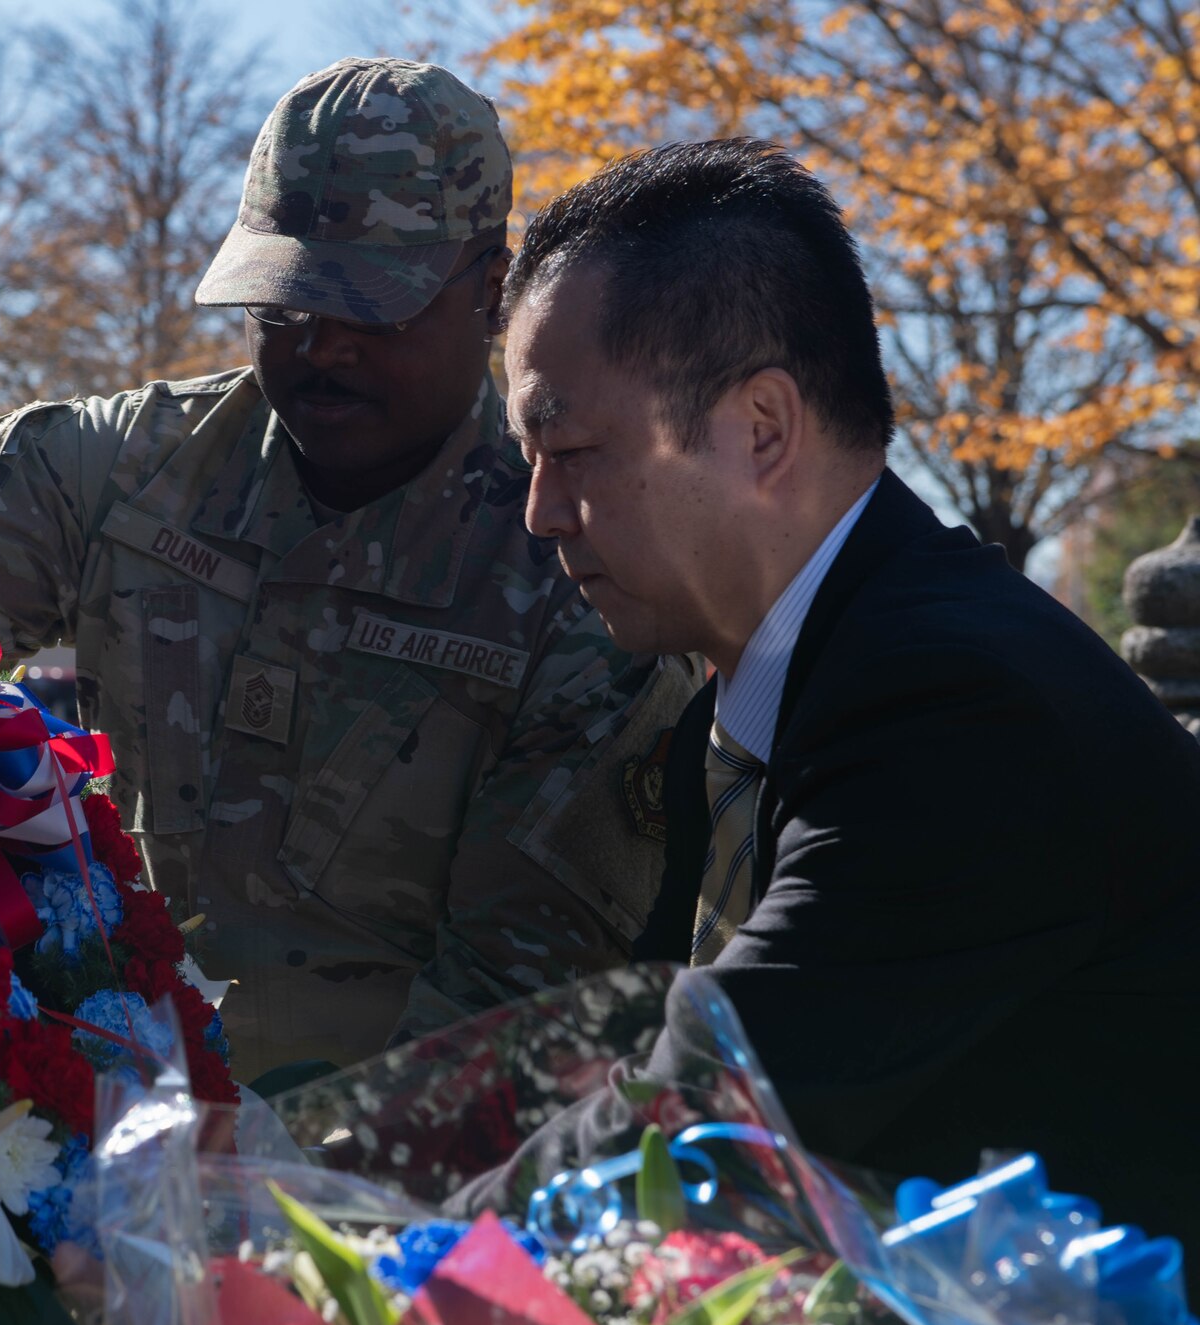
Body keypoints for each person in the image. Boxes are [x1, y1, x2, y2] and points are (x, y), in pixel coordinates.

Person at [0, 58, 699, 1080]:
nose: (319, 349)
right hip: (43, 1121)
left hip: (361, 1201)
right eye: (282, 304)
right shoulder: (111, 469)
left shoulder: (572, 584)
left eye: (370, 309)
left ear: (490, 291)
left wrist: (257, 1194)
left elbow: (513, 1024)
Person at [467, 137, 1200, 1245]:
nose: (539, 511)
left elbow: (704, 1112)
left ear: (760, 429)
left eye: (566, 447)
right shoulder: (765, 691)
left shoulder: (956, 712)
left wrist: (371, 1252)